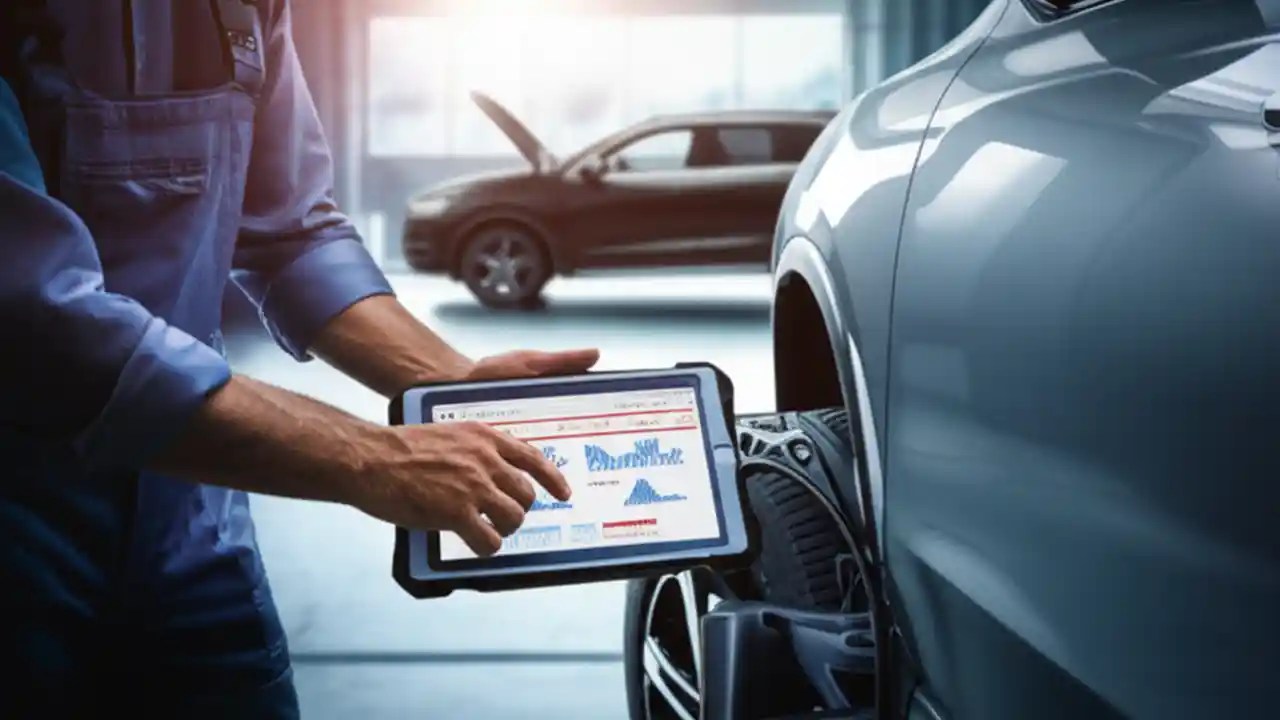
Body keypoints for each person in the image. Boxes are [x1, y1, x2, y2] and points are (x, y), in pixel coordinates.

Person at [0, 1, 597, 716]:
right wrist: (372, 460)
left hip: (198, 528)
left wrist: (447, 382)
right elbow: (36, 322)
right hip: (23, 535)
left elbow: (290, 231)